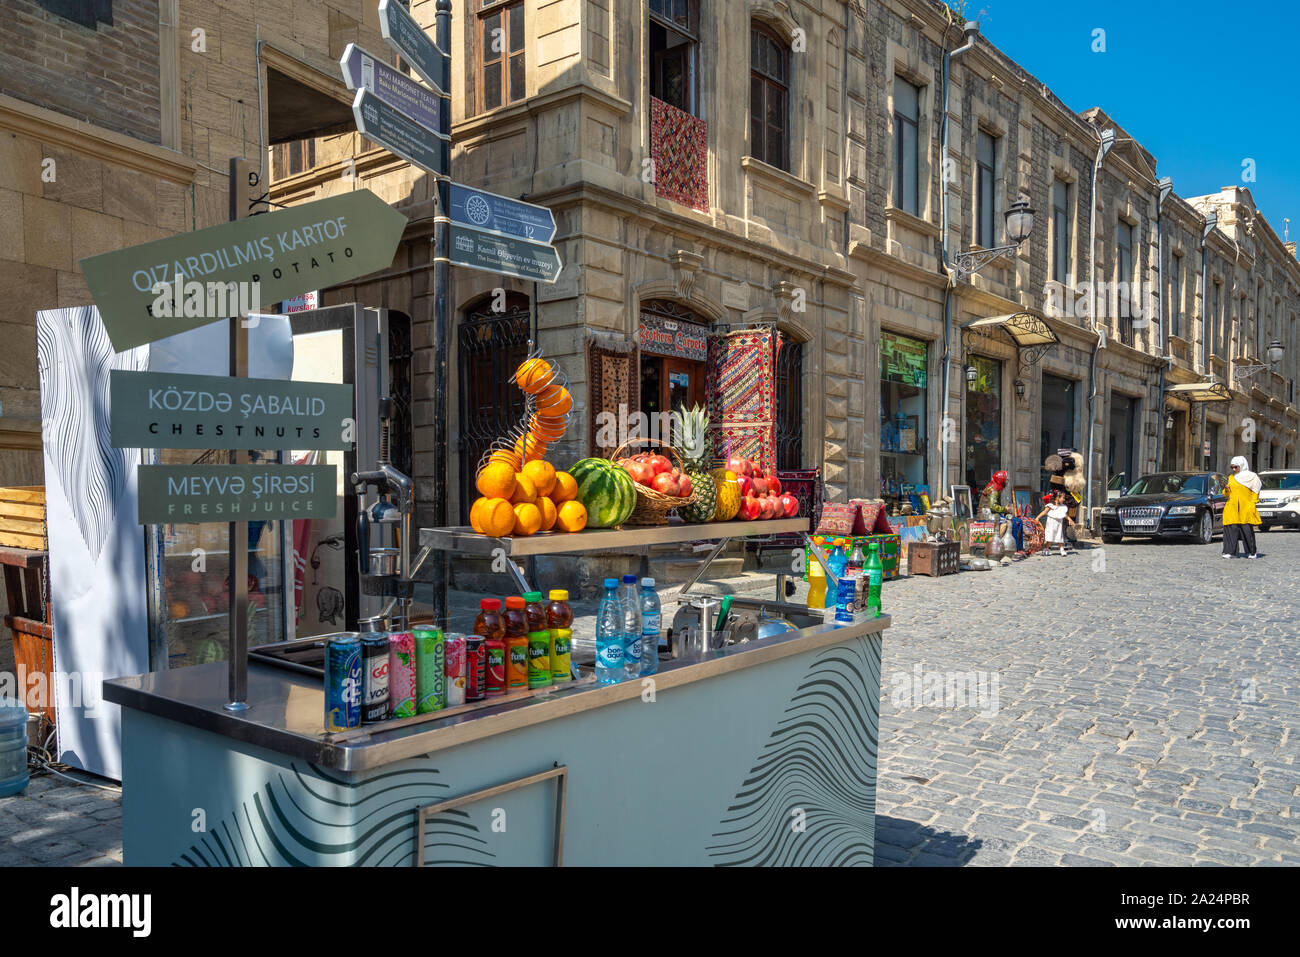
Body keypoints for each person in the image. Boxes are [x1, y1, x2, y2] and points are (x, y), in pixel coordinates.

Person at [1222, 455, 1262, 559]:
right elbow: (1226, 494)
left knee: (1246, 529)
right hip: (1232, 506)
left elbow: (1255, 491)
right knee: (1231, 528)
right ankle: (1230, 551)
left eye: (1236, 467)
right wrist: (1226, 490)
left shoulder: (1252, 477)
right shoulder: (1231, 477)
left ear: (1242, 465)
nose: (1234, 469)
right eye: (1232, 467)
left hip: (1246, 506)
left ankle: (1251, 551)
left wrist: (1252, 504)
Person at [1036, 490, 1073, 556]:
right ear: (1057, 498)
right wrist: (1037, 518)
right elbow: (1044, 512)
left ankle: (1062, 549)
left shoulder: (1062, 507)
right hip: (1051, 525)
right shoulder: (1050, 506)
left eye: (1064, 498)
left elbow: (1065, 515)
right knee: (1049, 537)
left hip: (1058, 525)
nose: (1064, 499)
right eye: (1062, 498)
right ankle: (1046, 549)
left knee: (1059, 536)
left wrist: (1070, 520)